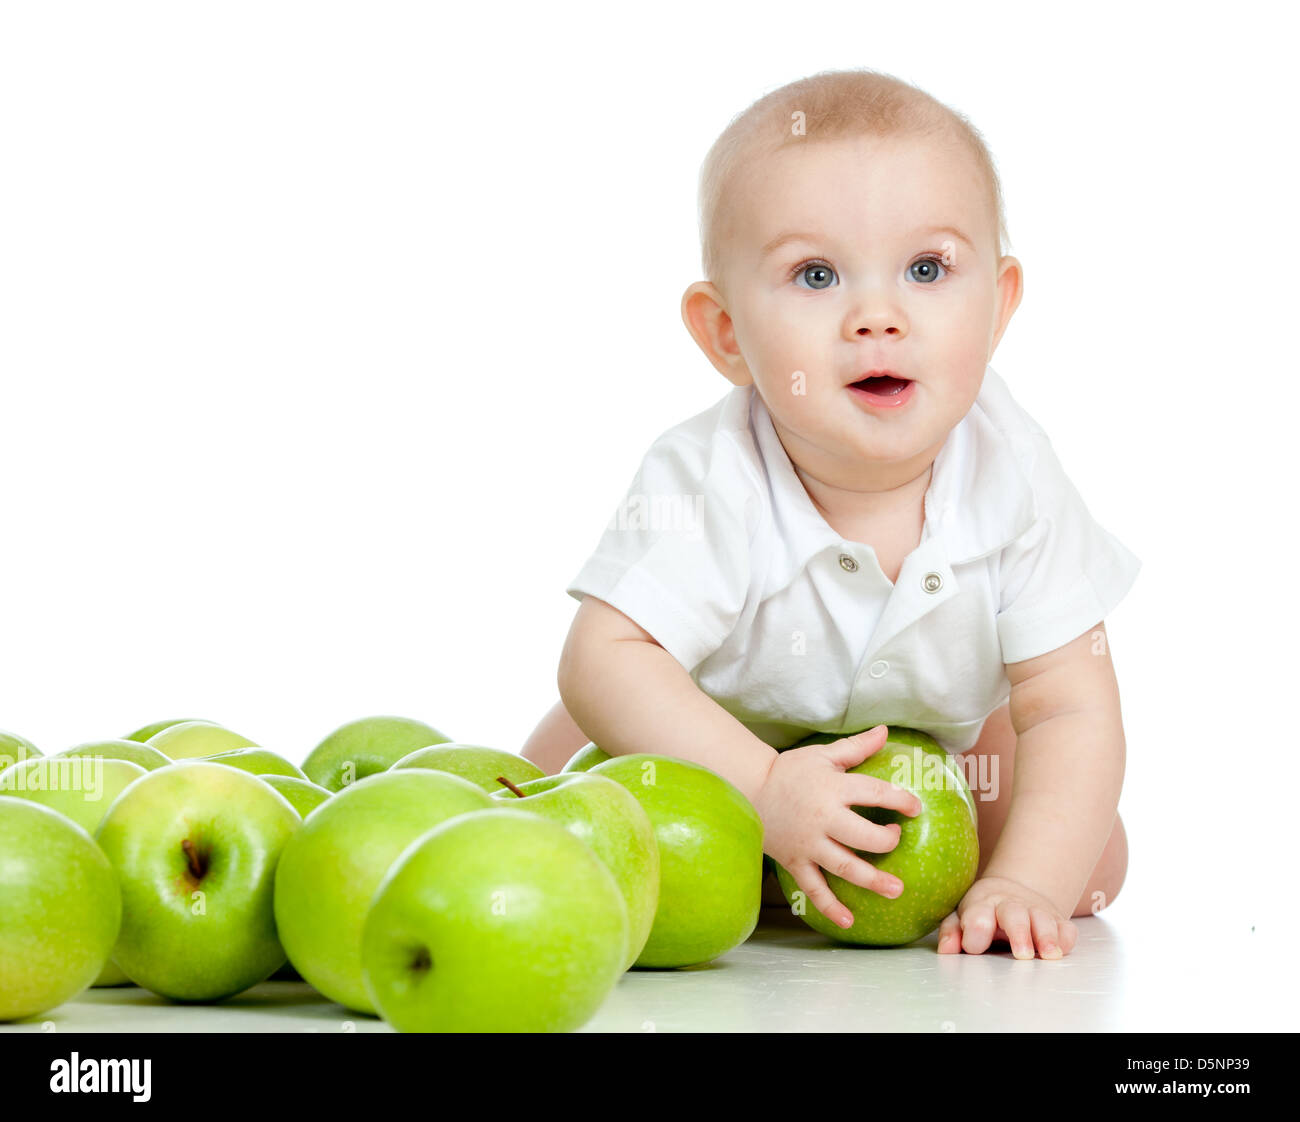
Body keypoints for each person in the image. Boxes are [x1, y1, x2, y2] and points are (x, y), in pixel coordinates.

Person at [521, 69, 1139, 960]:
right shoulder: (710, 475)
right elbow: (601, 658)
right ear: (726, 333)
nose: (877, 318)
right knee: (563, 809)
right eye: (816, 275)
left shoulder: (1016, 472)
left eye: (927, 269)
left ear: (999, 305)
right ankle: (762, 852)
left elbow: (1073, 703)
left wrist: (1024, 883)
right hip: (721, 728)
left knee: (1089, 862)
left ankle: (864, 867)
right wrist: (764, 786)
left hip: (938, 740)